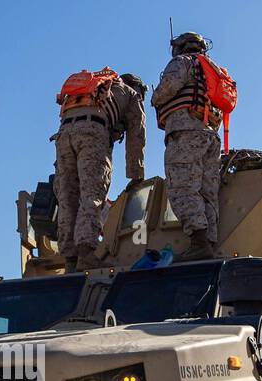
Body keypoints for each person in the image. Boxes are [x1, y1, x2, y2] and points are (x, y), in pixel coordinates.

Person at [52, 70, 147, 271]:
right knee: (92, 194)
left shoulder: (97, 88)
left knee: (68, 198)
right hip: (92, 133)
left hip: (64, 134)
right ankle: (86, 253)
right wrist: (136, 175)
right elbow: (136, 136)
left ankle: (70, 259)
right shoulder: (131, 94)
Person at [152, 31, 228, 261]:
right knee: (207, 191)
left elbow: (165, 91)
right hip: (211, 135)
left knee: (183, 185)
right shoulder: (215, 71)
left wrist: (154, 96)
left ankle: (199, 242)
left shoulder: (182, 62)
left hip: (186, 131)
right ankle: (208, 242)